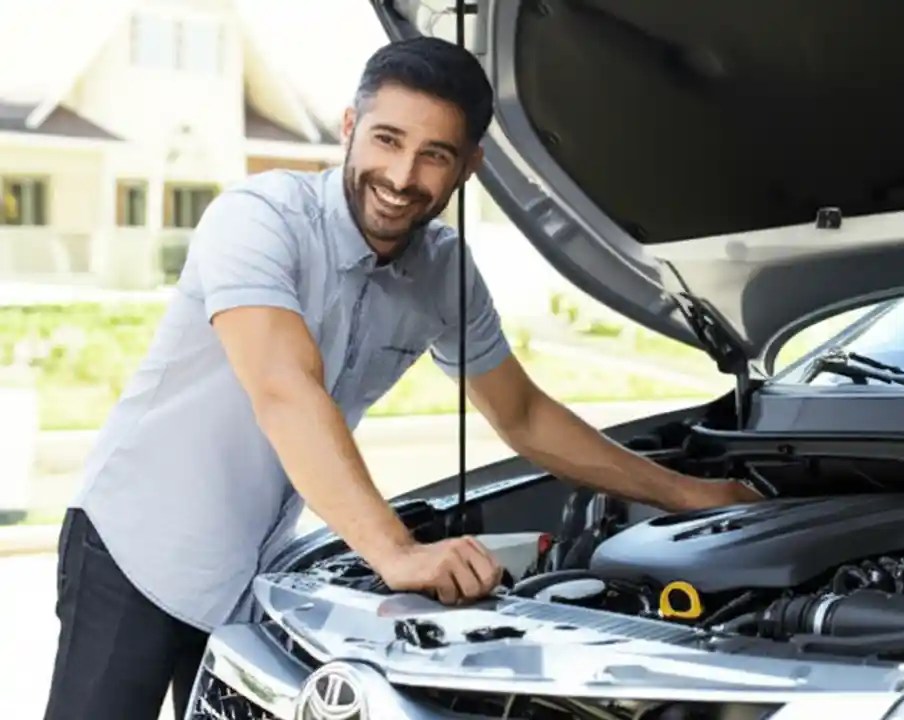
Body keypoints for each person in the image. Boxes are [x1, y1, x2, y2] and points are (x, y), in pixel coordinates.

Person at [42, 36, 759, 720]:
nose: (402, 177)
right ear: (350, 126)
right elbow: (284, 389)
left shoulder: (444, 270)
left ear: (469, 165)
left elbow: (524, 416)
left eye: (434, 155)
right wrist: (395, 552)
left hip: (249, 574)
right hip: (133, 549)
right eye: (387, 139)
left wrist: (689, 496)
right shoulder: (258, 220)